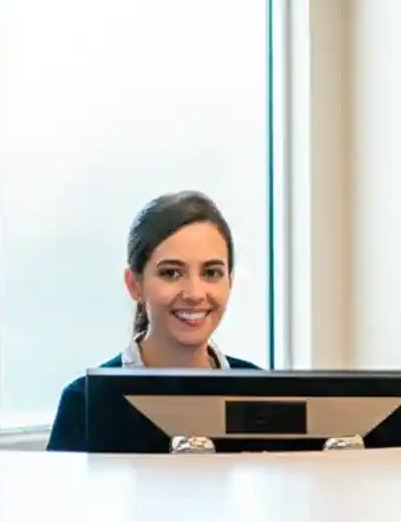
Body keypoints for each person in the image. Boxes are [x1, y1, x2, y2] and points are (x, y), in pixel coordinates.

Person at [46, 190, 262, 452]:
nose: (195, 293)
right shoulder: (86, 404)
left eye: (211, 273)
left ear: (230, 281)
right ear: (134, 285)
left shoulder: (261, 394)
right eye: (171, 273)